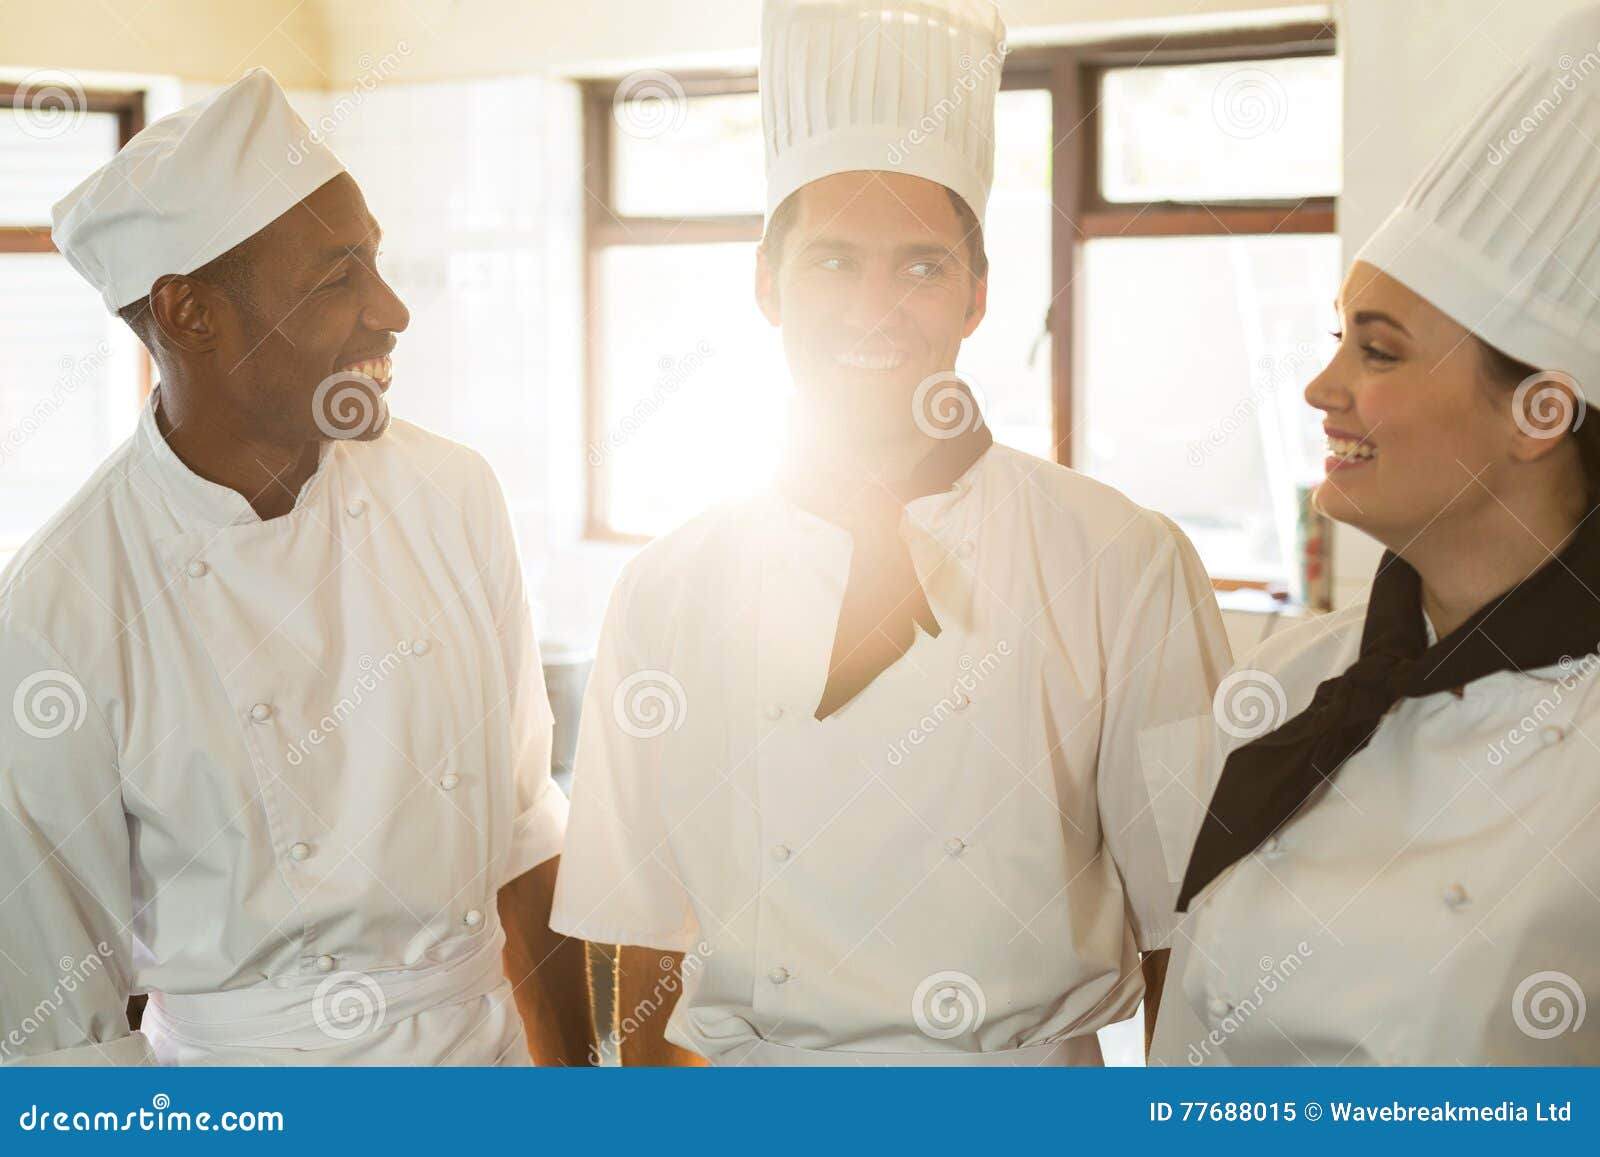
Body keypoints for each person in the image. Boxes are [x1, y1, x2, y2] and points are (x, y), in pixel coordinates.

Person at [550, 0, 1231, 1065]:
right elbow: (640, 934)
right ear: (766, 284)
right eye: (833, 262)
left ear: (977, 295)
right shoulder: (670, 584)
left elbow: (1188, 932)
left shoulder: (1120, 556)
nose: (876, 308)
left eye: (920, 265)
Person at [0, 70, 590, 1066]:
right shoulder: (62, 602)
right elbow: (60, 1031)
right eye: (338, 278)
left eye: (376, 260)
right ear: (190, 315)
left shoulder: (453, 494)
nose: (393, 309)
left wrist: (581, 1091)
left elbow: (527, 835)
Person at [1158, 6, 1600, 1065]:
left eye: (1380, 352)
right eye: (1336, 341)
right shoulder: (1300, 680)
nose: (1321, 388)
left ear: (1534, 413)